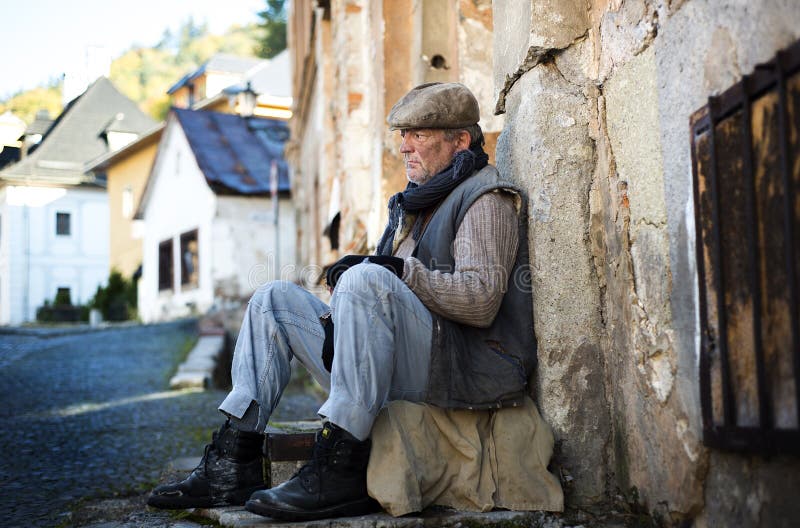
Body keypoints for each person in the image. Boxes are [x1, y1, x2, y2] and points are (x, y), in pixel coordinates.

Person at [147, 82, 536, 521]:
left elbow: (481, 301)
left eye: (419, 135)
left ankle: (341, 468)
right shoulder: (416, 204)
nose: (404, 147)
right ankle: (233, 461)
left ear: (460, 140)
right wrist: (344, 315)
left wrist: (393, 271)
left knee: (367, 276)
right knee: (273, 298)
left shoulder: (485, 196)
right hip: (404, 364)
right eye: (402, 135)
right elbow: (391, 299)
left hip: (461, 370)